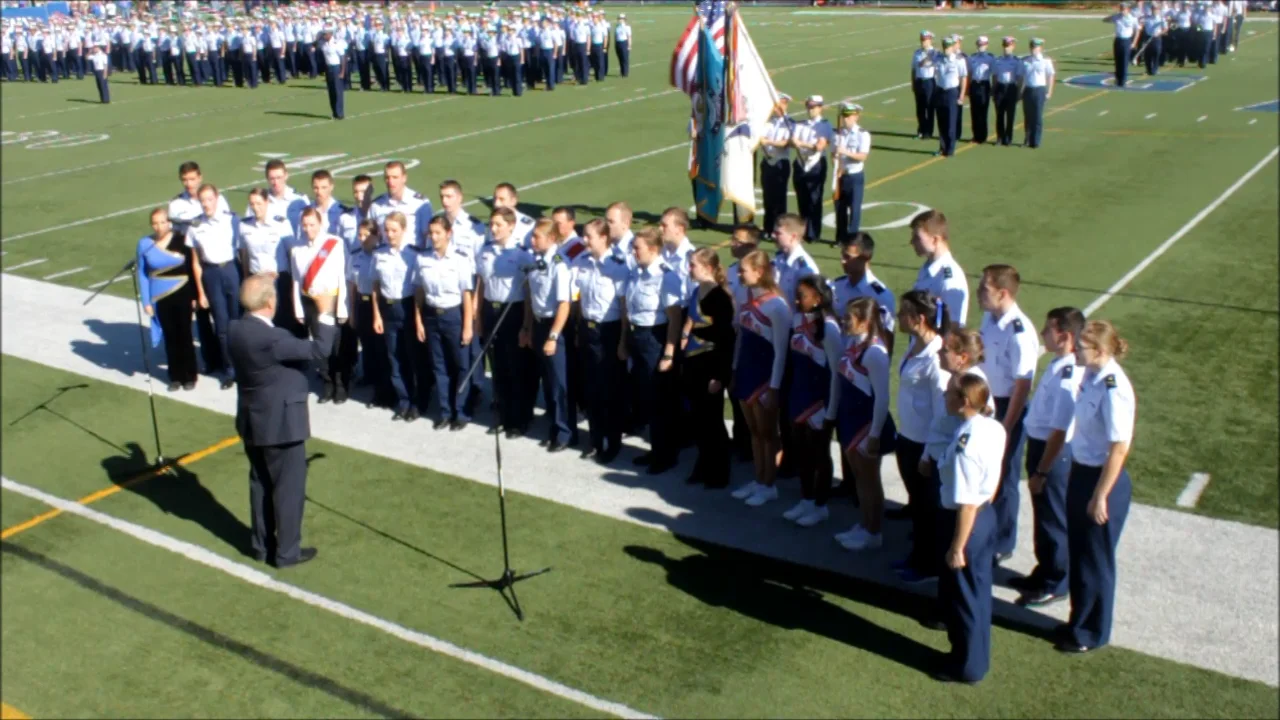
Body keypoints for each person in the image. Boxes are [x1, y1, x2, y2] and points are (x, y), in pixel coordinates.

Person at [231, 273, 332, 565]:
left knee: (260, 484)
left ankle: (262, 546)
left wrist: (261, 281)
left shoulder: (236, 329)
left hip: (253, 420)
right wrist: (324, 313)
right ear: (269, 302)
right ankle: (287, 552)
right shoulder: (273, 338)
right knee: (288, 490)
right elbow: (319, 350)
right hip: (282, 425)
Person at [1058, 320, 1136, 655]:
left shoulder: (1114, 387)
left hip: (1102, 479)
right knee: (1080, 552)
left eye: (1081, 346)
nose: (1074, 350)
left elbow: (1119, 447)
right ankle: (1079, 620)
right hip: (1083, 471)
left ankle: (1092, 631)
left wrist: (1100, 495)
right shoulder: (1090, 376)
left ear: (1101, 351)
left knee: (1096, 558)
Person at [934, 373, 1006, 684]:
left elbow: (965, 504)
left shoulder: (967, 443)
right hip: (985, 515)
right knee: (976, 594)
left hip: (967, 522)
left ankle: (967, 666)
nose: (944, 396)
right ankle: (971, 657)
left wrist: (956, 547)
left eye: (949, 393)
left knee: (964, 598)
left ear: (964, 401)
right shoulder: (992, 427)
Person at [1012, 306, 1085, 608]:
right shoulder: (1059, 364)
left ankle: (1057, 581)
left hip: (1052, 453)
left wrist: (1042, 471)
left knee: (1054, 518)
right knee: (1043, 515)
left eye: (1048, 329)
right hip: (1041, 446)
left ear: (1065, 335)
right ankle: (1044, 570)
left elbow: (1060, 430)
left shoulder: (1069, 374)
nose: (1043, 334)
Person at [977, 264, 1039, 562]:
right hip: (987, 401)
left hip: (1007, 405)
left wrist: (1007, 424)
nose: (979, 294)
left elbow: (1022, 384)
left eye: (984, 290)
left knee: (1006, 474)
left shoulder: (1020, 331)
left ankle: (1003, 541)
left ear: (1002, 293)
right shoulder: (990, 318)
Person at [894, 290, 952, 584]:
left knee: (929, 509)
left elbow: (941, 413)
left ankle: (929, 564)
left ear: (918, 319)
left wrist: (930, 453)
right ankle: (917, 556)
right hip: (908, 437)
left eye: (903, 312)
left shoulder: (936, 356)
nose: (898, 316)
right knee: (917, 504)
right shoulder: (915, 345)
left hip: (924, 445)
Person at [833, 297, 898, 550]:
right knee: (859, 478)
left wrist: (874, 434)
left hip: (866, 423)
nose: (844, 321)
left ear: (865, 321)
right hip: (851, 419)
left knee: (870, 480)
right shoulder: (854, 345)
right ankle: (864, 524)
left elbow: (882, 397)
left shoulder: (875, 353)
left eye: (849, 317)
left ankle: (874, 532)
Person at [730, 250, 793, 506]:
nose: (739, 274)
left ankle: (769, 484)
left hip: (765, 377)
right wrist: (734, 370)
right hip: (746, 372)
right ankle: (758, 479)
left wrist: (775, 387)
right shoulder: (746, 298)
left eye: (743, 270)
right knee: (754, 431)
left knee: (768, 432)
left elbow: (781, 351)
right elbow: (741, 339)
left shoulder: (777, 306)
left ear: (759, 272)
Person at [621, 227, 686, 474]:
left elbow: (674, 319)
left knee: (661, 400)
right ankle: (656, 450)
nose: (633, 252)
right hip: (638, 336)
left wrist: (669, 352)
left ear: (653, 249)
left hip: (655, 339)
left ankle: (666, 455)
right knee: (647, 398)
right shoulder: (637, 273)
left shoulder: (666, 276)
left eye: (637, 247)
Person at [780, 275, 842, 526]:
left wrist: (830, 412)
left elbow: (836, 373)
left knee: (819, 453)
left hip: (819, 401)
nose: (796, 300)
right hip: (799, 395)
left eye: (802, 296)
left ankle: (821, 505)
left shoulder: (830, 328)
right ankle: (806, 500)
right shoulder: (797, 319)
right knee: (802, 453)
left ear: (818, 299)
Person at [574, 219, 630, 463]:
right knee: (591, 390)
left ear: (604, 238)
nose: (584, 241)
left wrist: (623, 341)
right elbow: (580, 299)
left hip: (610, 332)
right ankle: (595, 440)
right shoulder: (583, 263)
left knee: (611, 391)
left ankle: (613, 441)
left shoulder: (618, 266)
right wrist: (578, 329)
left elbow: (624, 306)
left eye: (589, 236)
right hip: (588, 329)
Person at [679, 248, 736, 487]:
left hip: (711, 364)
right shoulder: (696, 291)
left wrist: (720, 377)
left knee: (712, 421)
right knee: (698, 419)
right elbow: (691, 322)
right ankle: (702, 465)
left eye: (693, 265)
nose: (689, 269)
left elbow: (726, 340)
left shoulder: (720, 298)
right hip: (693, 361)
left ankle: (719, 472)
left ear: (709, 268)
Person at [477, 207, 534, 438]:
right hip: (492, 309)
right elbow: (481, 285)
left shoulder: (522, 254)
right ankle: (502, 414)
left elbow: (529, 291)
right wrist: (478, 316)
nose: (494, 228)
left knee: (516, 368)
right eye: (491, 224)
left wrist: (526, 325)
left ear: (511, 226)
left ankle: (519, 420)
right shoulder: (485, 251)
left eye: (499, 224)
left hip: (514, 312)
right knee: (498, 366)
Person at [414, 216, 475, 430]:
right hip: (431, 315)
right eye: (431, 233)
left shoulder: (460, 259)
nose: (434, 237)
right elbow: (419, 291)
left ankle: (461, 412)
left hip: (453, 315)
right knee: (439, 366)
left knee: (460, 366)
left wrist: (468, 326)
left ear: (449, 233)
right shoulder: (423, 259)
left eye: (438, 232)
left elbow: (466, 294)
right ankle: (445, 412)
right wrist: (419, 320)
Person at [523, 218, 574, 452]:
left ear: (551, 239)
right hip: (539, 324)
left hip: (555, 328)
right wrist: (528, 328)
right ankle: (554, 428)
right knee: (548, 382)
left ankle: (565, 433)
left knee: (559, 385)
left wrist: (553, 337)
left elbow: (564, 304)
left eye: (537, 237)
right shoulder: (537, 262)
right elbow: (532, 298)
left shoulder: (558, 264)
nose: (532, 240)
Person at [290, 207, 350, 404]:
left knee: (335, 346)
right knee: (318, 346)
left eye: (312, 224)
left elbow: (342, 275)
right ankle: (327, 383)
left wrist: (342, 306)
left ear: (320, 223)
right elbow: (297, 281)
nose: (308, 229)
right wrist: (298, 308)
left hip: (330, 300)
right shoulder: (297, 248)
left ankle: (340, 383)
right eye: (305, 225)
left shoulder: (334, 243)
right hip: (309, 301)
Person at [137, 207, 200, 392]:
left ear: (169, 222)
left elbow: (191, 268)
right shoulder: (144, 244)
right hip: (160, 295)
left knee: (185, 335)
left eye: (162, 222)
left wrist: (195, 296)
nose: (159, 226)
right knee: (170, 336)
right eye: (155, 223)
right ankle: (175, 376)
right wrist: (146, 302)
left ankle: (190, 375)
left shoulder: (181, 240)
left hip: (182, 291)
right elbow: (142, 273)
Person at [187, 184, 242, 390]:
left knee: (237, 322)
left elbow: (242, 251)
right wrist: (201, 292)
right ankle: (229, 370)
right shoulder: (195, 225)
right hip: (211, 273)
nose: (207, 204)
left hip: (231, 269)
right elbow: (195, 262)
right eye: (203, 201)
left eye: (210, 199)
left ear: (217, 199)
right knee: (221, 326)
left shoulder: (230, 220)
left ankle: (242, 366)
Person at [371, 212, 422, 421]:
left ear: (403, 230)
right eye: (387, 230)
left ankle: (418, 402)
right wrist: (377, 314)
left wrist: (418, 317)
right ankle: (403, 401)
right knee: (395, 357)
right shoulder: (379, 254)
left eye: (394, 230)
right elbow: (375, 286)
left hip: (408, 306)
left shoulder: (413, 254)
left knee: (413, 357)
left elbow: (419, 289)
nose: (390, 234)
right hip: (388, 307)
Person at [347, 219, 391, 409]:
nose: (362, 239)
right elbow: (352, 285)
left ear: (377, 236)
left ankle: (384, 391)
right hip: (361, 304)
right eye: (360, 235)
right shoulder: (355, 256)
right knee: (367, 345)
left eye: (367, 235)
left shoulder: (381, 255)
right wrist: (351, 311)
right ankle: (370, 378)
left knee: (381, 349)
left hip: (378, 305)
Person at [831, 231, 896, 355]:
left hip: (861, 365)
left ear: (865, 258)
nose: (842, 261)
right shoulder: (837, 286)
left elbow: (886, 338)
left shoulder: (881, 296)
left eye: (847, 257)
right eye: (842, 255)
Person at [791, 95, 834, 244]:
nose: (811, 110)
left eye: (814, 107)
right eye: (809, 107)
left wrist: (801, 143)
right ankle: (803, 231)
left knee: (814, 200)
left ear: (820, 108)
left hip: (815, 165)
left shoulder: (825, 125)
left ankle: (814, 233)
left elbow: (819, 146)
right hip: (800, 164)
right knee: (802, 199)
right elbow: (794, 141)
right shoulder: (800, 124)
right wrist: (806, 144)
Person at [831, 102, 871, 245]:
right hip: (841, 175)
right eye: (844, 116)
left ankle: (852, 239)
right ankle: (840, 238)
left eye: (849, 116)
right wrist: (837, 166)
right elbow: (833, 154)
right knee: (839, 208)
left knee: (854, 209)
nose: (845, 119)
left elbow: (863, 156)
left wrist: (846, 152)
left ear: (856, 117)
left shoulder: (862, 134)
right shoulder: (837, 133)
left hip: (855, 175)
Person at [759, 93, 794, 237]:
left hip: (780, 162)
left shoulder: (789, 123)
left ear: (786, 104)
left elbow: (786, 143)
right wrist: (766, 143)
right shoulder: (769, 122)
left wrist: (769, 142)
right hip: (768, 161)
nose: (777, 108)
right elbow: (761, 137)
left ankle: (780, 229)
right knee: (768, 198)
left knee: (780, 200)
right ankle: (768, 228)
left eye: (780, 105)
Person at [934, 36, 968, 158]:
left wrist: (962, 95)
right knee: (941, 121)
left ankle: (950, 149)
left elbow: (963, 78)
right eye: (945, 47)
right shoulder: (938, 58)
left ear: (953, 47)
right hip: (940, 91)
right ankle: (942, 147)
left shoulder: (959, 60)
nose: (946, 49)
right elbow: (924, 64)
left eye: (948, 47)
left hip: (952, 92)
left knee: (951, 122)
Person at [1021, 38, 1054, 149]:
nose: (1033, 49)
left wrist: (1049, 91)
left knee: (1037, 116)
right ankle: (1027, 139)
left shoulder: (1046, 60)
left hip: (1039, 89)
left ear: (1040, 48)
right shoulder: (1025, 60)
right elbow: (1022, 77)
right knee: (1027, 116)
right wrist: (1020, 91)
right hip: (1028, 89)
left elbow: (1051, 75)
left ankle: (1035, 141)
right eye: (1032, 47)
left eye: (1036, 47)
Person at [991, 37, 1022, 147]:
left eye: (1008, 46)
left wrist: (1019, 92)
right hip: (1000, 88)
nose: (1006, 49)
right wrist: (993, 90)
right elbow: (994, 76)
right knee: (999, 115)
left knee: (1010, 115)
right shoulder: (998, 60)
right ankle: (999, 137)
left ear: (1013, 46)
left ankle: (1008, 138)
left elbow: (1019, 78)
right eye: (1005, 46)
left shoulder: (1017, 61)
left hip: (1011, 88)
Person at [911, 30, 940, 140]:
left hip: (930, 81)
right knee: (920, 108)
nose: (923, 42)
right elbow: (914, 69)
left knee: (929, 107)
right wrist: (913, 83)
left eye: (925, 40)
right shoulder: (917, 53)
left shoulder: (935, 53)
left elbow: (938, 69)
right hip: (919, 81)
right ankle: (921, 130)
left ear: (930, 40)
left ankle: (928, 131)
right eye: (922, 40)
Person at [1105, 3, 1141, 87]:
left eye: (1124, 9)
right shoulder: (1117, 17)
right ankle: (1118, 79)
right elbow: (1105, 20)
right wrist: (1111, 16)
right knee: (1117, 61)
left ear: (1128, 10)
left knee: (1124, 61)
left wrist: (1134, 42)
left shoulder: (1133, 18)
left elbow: (1138, 31)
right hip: (1118, 40)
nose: (1122, 11)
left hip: (1126, 40)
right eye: (1121, 9)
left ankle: (1123, 80)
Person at [966, 37, 993, 144]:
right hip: (974, 85)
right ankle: (975, 135)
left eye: (983, 45)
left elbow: (994, 73)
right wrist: (968, 87)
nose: (981, 47)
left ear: (987, 45)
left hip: (984, 85)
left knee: (983, 111)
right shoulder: (972, 57)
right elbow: (970, 73)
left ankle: (983, 136)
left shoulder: (990, 58)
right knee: (974, 111)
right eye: (979, 44)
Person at [319, 30, 346, 119]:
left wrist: (342, 72)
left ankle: (340, 113)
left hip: (336, 68)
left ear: (330, 34)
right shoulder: (324, 44)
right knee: (331, 91)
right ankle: (334, 112)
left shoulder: (336, 43)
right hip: (328, 68)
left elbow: (342, 58)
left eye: (325, 34)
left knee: (337, 91)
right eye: (323, 34)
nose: (324, 36)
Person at [614, 13, 631, 77]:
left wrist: (629, 45)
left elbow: (629, 36)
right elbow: (616, 36)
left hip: (624, 42)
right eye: (619, 18)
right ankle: (621, 72)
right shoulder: (617, 27)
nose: (620, 20)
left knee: (625, 59)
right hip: (618, 43)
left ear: (624, 19)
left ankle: (625, 73)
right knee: (620, 58)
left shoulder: (627, 27)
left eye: (621, 18)